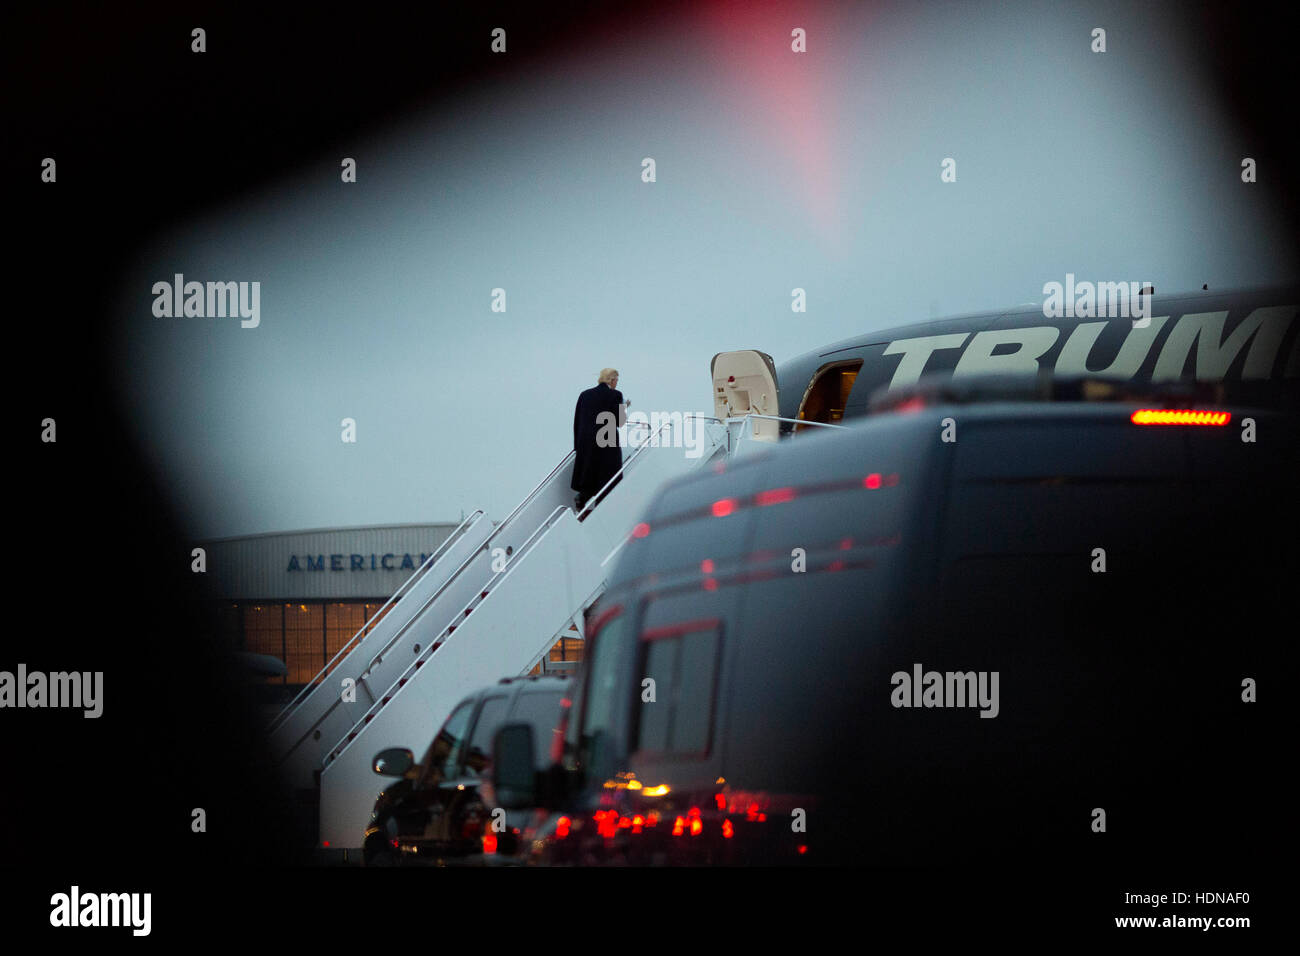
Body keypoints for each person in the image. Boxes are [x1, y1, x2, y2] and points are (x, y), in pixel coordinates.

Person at [571, 368, 627, 516]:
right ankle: (603, 509)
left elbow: (577, 421)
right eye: (617, 380)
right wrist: (625, 408)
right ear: (613, 380)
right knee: (607, 478)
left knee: (588, 475)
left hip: (586, 443)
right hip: (606, 443)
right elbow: (620, 421)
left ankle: (582, 500)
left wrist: (577, 445)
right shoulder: (616, 395)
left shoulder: (585, 395)